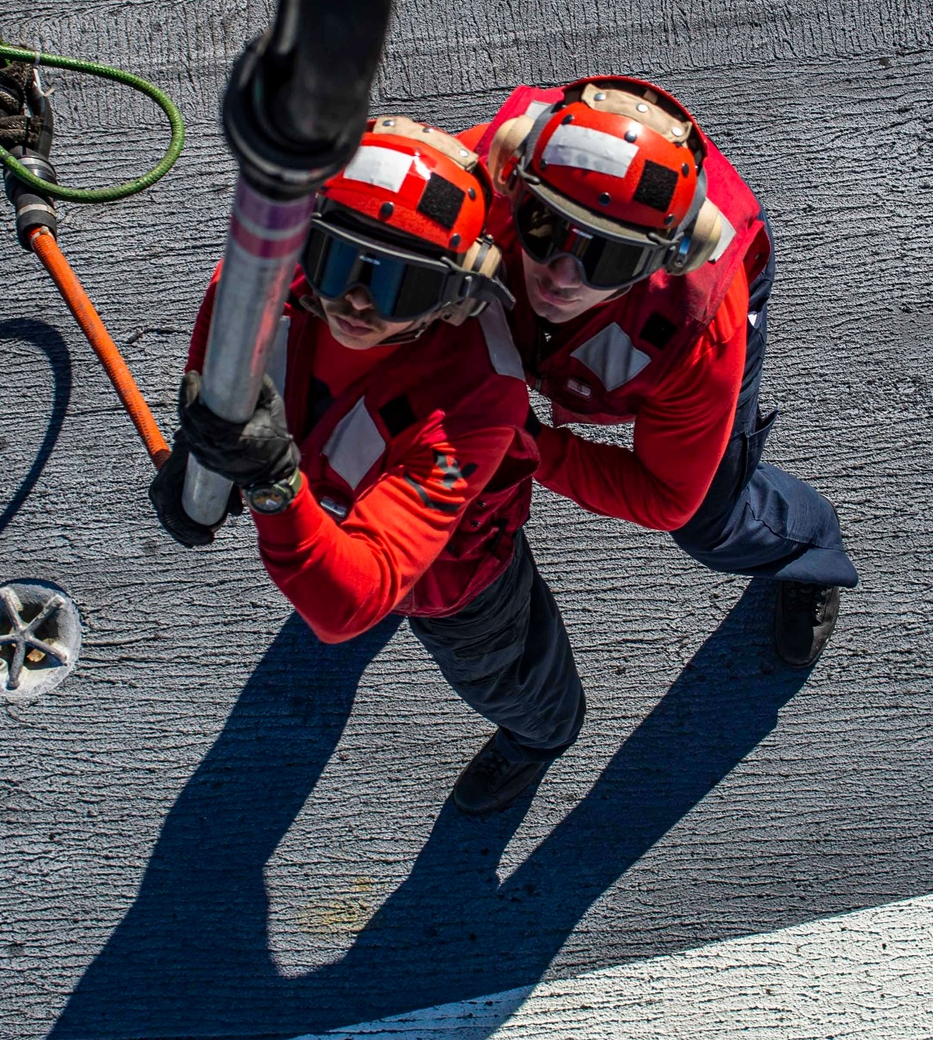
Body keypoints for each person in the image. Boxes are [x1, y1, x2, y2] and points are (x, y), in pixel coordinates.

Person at [150, 117, 586, 812]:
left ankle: (542, 736)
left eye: (398, 284)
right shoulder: (247, 294)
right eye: (340, 261)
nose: (355, 299)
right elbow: (218, 392)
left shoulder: (479, 399)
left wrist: (268, 482)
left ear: (455, 298)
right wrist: (205, 460)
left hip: (452, 570)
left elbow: (347, 607)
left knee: (505, 672)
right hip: (325, 508)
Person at [460, 77, 858, 667]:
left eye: (612, 256)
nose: (563, 278)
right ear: (508, 180)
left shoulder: (699, 326)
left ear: (672, 258)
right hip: (573, 343)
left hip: (679, 341)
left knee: (709, 518)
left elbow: (666, 495)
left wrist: (525, 439)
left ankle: (809, 546)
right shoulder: (455, 191)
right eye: (546, 228)